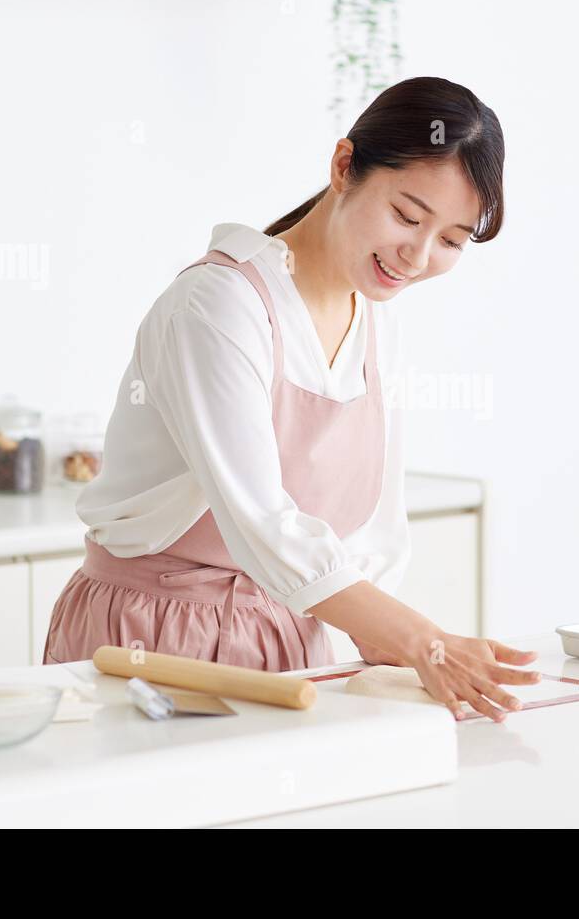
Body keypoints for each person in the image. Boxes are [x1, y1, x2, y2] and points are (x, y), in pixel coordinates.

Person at [44, 76, 539, 721]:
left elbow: (375, 527)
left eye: (450, 240)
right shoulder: (219, 305)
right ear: (343, 167)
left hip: (292, 641)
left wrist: (386, 647)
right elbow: (261, 522)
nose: (416, 256)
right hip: (153, 638)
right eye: (407, 217)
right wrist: (425, 642)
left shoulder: (375, 316)